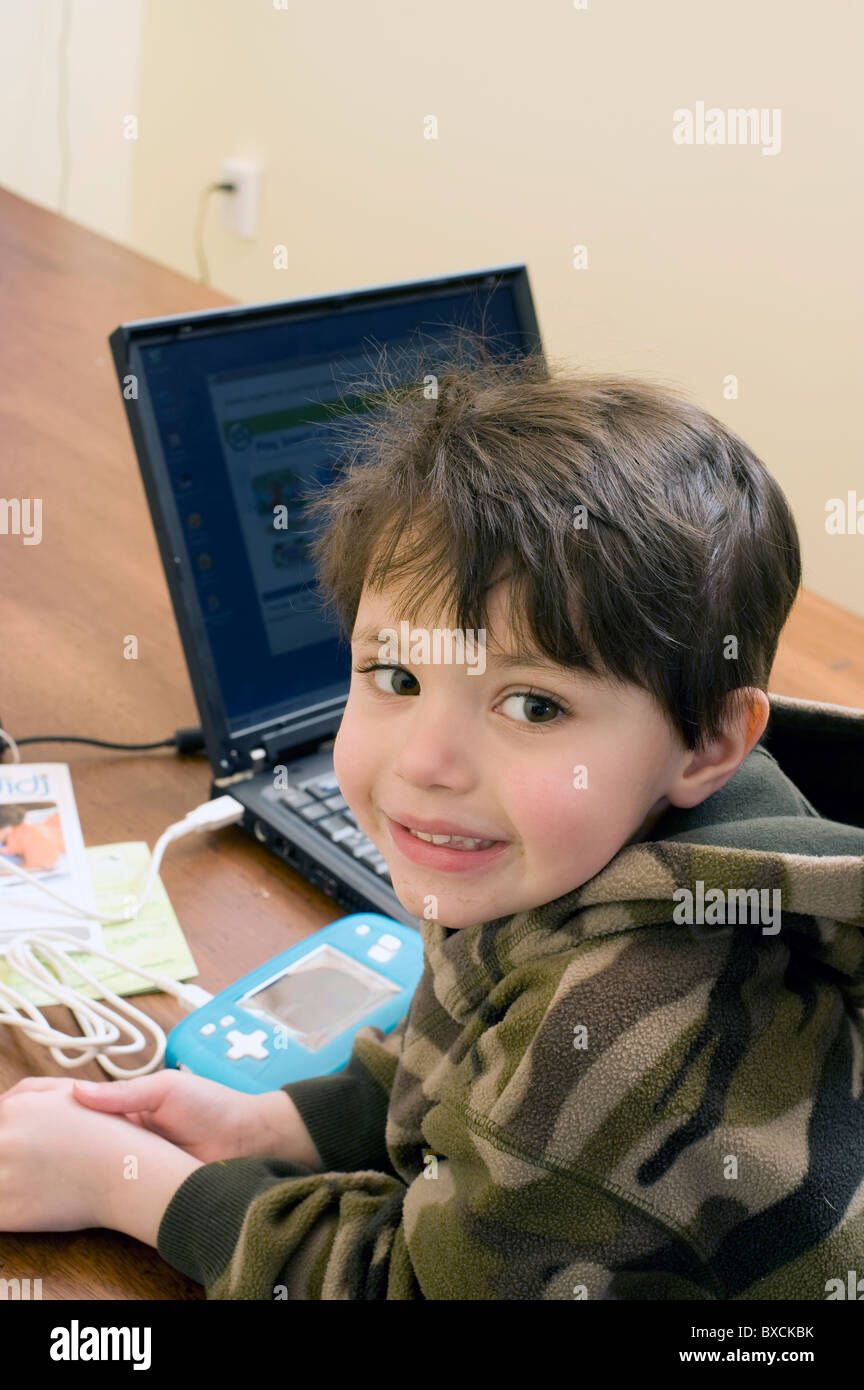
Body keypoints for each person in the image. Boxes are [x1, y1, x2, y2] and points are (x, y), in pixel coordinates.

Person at [2, 344, 863, 1300]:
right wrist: (281, 1127)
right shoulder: (577, 853)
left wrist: (137, 1188)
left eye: (533, 706)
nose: (425, 763)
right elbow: (466, 1037)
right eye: (397, 677)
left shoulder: (626, 1032)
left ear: (709, 744)